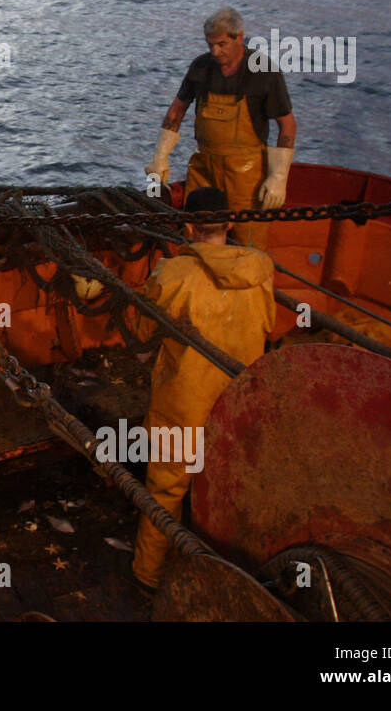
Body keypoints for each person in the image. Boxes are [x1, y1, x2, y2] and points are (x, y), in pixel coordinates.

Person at [126, 186, 276, 589]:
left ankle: (149, 576)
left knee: (166, 491)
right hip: (240, 405)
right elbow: (268, 324)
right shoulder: (260, 267)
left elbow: (141, 330)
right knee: (229, 489)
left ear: (187, 225)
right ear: (229, 223)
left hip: (184, 407)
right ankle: (231, 579)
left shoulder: (173, 273)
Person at [146, 7, 297, 251]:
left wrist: (278, 177)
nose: (215, 52)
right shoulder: (201, 67)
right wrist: (159, 158)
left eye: (222, 44)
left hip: (247, 173)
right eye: (210, 45)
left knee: (249, 240)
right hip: (205, 166)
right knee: (194, 235)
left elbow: (287, 124)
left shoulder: (263, 71)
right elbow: (176, 111)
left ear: (240, 37)